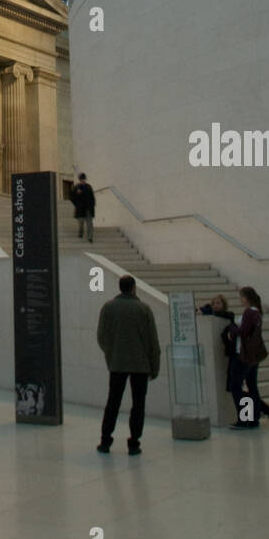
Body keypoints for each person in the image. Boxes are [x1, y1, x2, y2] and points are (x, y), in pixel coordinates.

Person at [96, 275, 160, 455]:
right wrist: (154, 367)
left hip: (117, 364)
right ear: (133, 288)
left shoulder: (108, 308)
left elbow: (101, 336)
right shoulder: (143, 309)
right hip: (140, 365)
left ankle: (105, 440)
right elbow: (152, 342)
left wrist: (111, 354)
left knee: (113, 402)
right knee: (138, 405)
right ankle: (134, 442)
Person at [228, 286, 269, 429]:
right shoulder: (257, 313)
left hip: (244, 355)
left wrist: (231, 328)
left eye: (241, 296)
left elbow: (243, 332)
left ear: (246, 298)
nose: (240, 299)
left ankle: (245, 418)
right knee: (252, 386)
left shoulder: (249, 313)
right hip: (254, 355)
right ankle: (253, 418)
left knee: (235, 386)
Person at [70, 172, 96, 242]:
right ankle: (80, 233)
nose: (83, 180)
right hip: (80, 208)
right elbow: (72, 197)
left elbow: (92, 197)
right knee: (81, 223)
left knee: (89, 223)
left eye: (84, 179)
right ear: (79, 180)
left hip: (88, 208)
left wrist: (92, 205)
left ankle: (90, 237)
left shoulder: (89, 187)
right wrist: (77, 200)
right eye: (81, 179)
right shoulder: (76, 187)